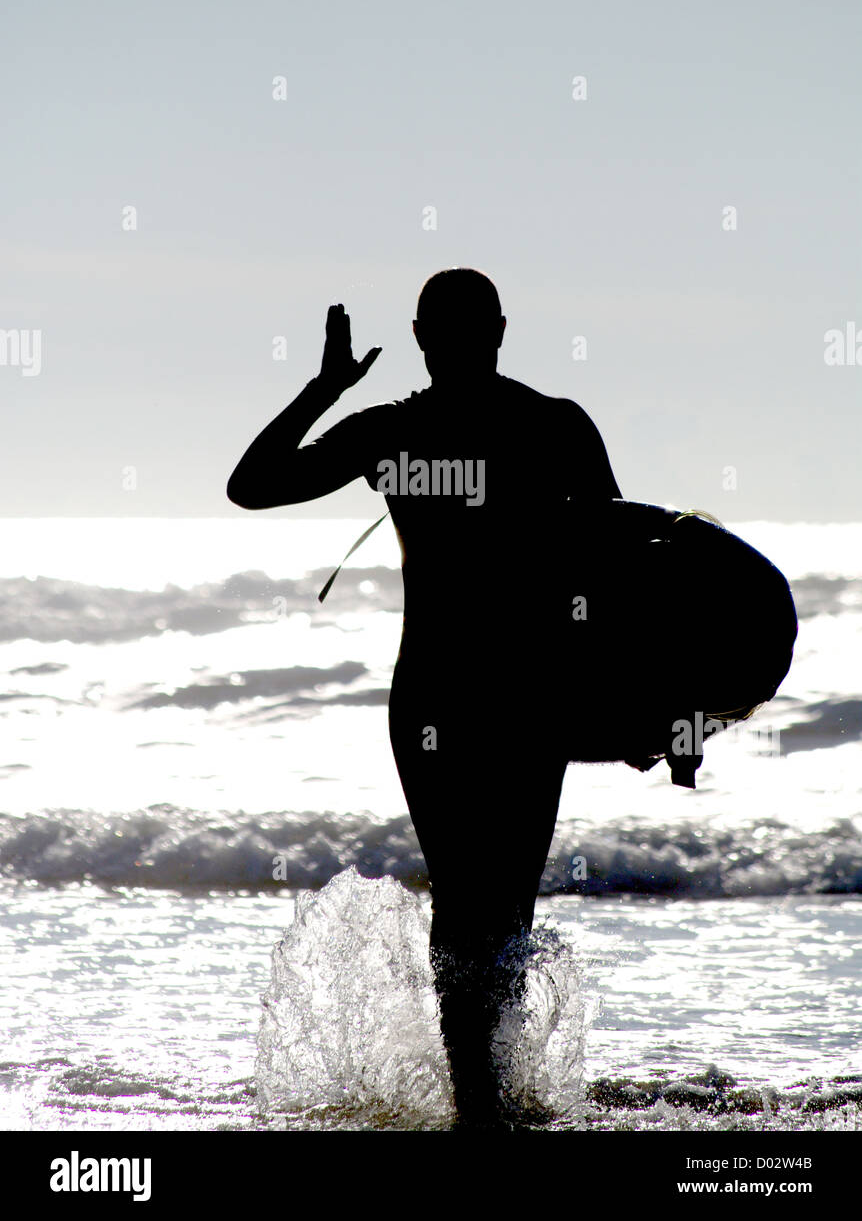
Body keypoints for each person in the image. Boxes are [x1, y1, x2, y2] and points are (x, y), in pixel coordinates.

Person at [227, 268, 621, 1127]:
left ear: (417, 337)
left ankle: (481, 1093)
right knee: (504, 896)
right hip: (528, 693)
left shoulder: (392, 430)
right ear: (503, 330)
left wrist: (324, 389)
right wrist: (631, 708)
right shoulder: (554, 425)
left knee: (465, 896)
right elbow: (615, 572)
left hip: (436, 695)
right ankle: (488, 1097)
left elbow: (252, 483)